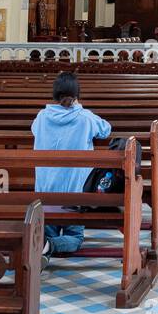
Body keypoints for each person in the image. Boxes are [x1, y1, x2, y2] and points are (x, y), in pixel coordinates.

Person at [31, 73, 112, 258]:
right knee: (75, 238)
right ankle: (48, 246)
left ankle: (44, 248)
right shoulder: (85, 117)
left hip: (46, 193)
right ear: (77, 95)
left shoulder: (42, 116)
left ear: (55, 94)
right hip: (75, 194)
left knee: (49, 230)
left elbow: (34, 129)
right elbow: (106, 129)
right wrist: (80, 109)